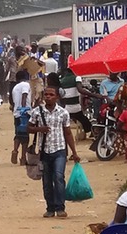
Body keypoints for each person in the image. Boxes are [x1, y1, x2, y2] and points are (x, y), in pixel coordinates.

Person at [27, 79, 81, 218]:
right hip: (44, 151)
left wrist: (74, 152)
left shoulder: (63, 113)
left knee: (58, 177)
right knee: (46, 180)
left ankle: (60, 207)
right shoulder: (37, 112)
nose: (48, 97)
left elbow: (68, 133)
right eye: (46, 94)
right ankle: (50, 208)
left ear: (57, 97)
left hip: (59, 150)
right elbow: (29, 128)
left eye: (51, 94)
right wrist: (40, 129)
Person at [10, 70, 32, 165]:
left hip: (16, 113)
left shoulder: (15, 87)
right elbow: (24, 95)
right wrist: (24, 109)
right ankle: (23, 158)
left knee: (18, 134)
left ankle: (15, 150)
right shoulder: (25, 85)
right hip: (24, 113)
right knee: (25, 136)